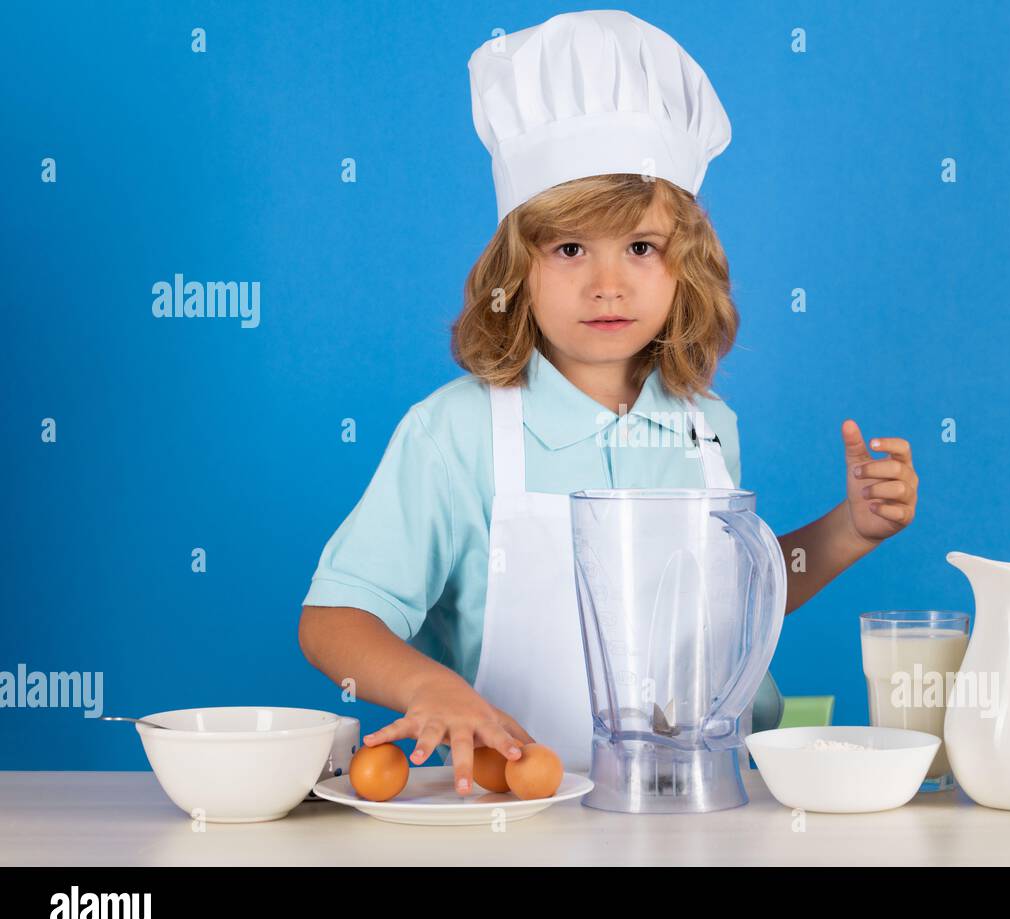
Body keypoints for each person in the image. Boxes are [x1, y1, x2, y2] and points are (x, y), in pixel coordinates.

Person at [298, 10, 919, 794]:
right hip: (515, 820)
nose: (607, 284)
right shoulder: (456, 433)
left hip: (706, 809)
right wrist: (430, 688)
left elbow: (733, 607)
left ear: (683, 265)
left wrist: (848, 530)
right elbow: (333, 620)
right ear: (514, 269)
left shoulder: (705, 428)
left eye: (640, 247)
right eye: (568, 249)